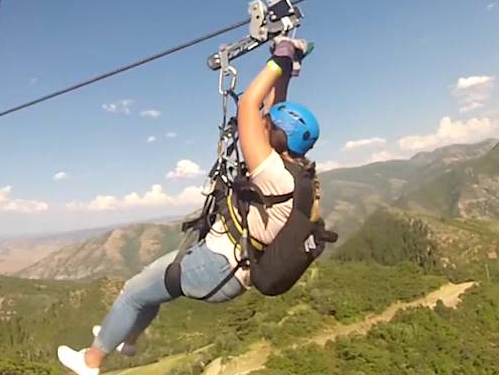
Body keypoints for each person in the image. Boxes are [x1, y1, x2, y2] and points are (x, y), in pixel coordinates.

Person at [57, 38, 320, 374]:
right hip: (229, 264)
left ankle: (89, 362)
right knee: (151, 284)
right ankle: (129, 338)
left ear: (279, 137)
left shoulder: (274, 175)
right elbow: (273, 108)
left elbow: (250, 106)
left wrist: (281, 58)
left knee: (132, 293)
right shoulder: (297, 175)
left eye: (269, 126)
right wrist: (286, 69)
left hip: (216, 266)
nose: (262, 123)